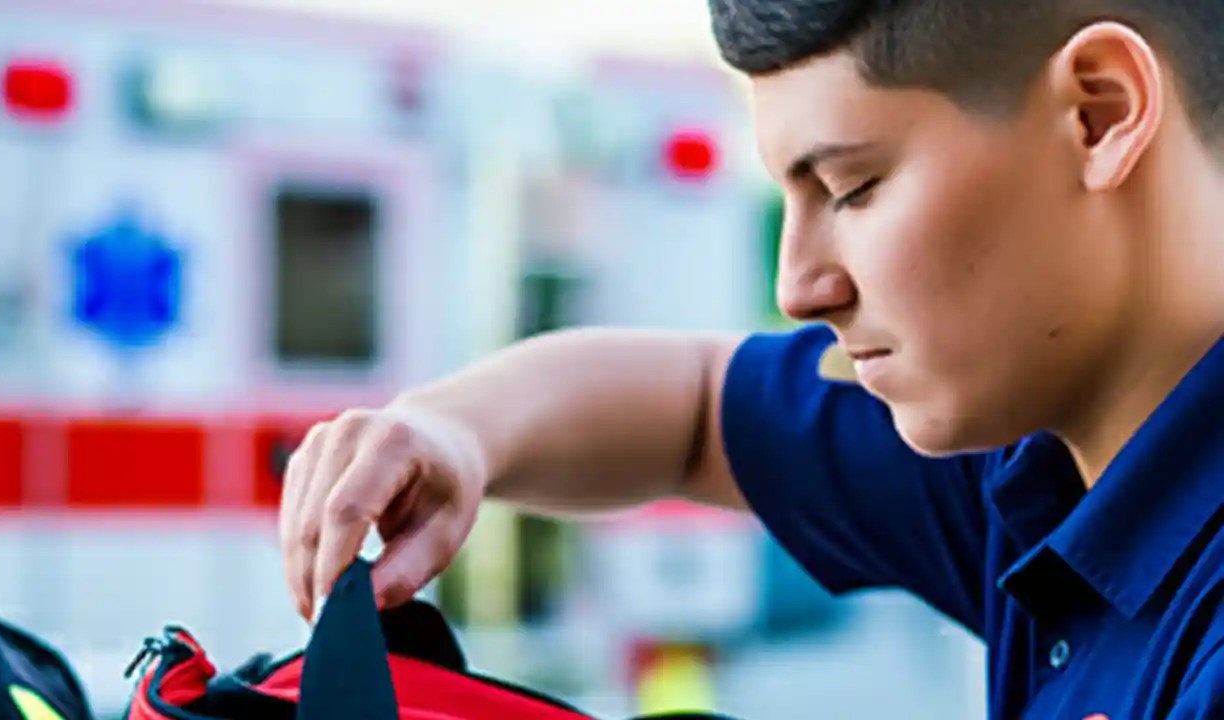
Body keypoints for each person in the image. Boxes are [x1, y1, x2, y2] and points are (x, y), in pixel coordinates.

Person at [277, 2, 1224, 718]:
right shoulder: (1037, 473)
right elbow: (693, 410)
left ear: (1098, 114)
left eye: (852, 188)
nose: (799, 286)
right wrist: (455, 431)